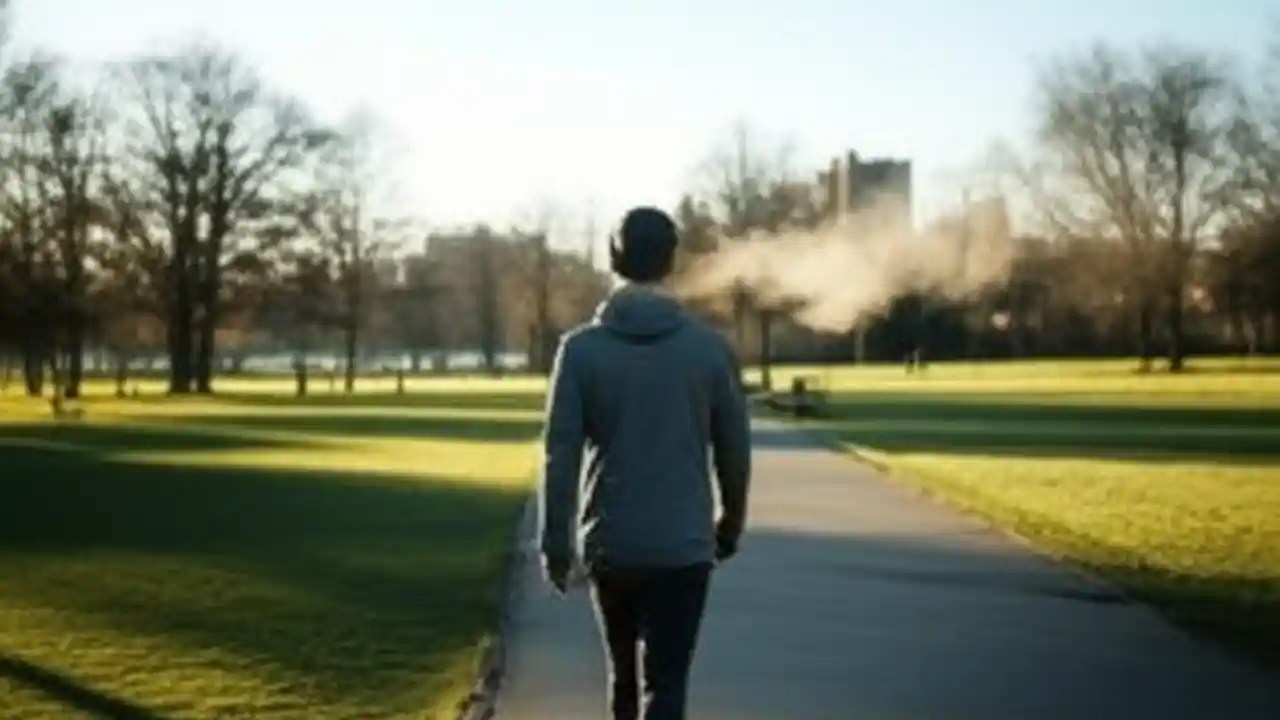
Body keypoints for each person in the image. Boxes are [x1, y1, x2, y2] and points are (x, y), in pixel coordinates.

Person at [539, 206, 752, 720]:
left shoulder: (580, 351)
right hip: (683, 545)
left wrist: (555, 544)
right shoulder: (709, 349)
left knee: (623, 677)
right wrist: (730, 522)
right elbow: (734, 447)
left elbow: (560, 452)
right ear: (669, 261)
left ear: (614, 258)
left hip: (612, 541)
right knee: (668, 683)